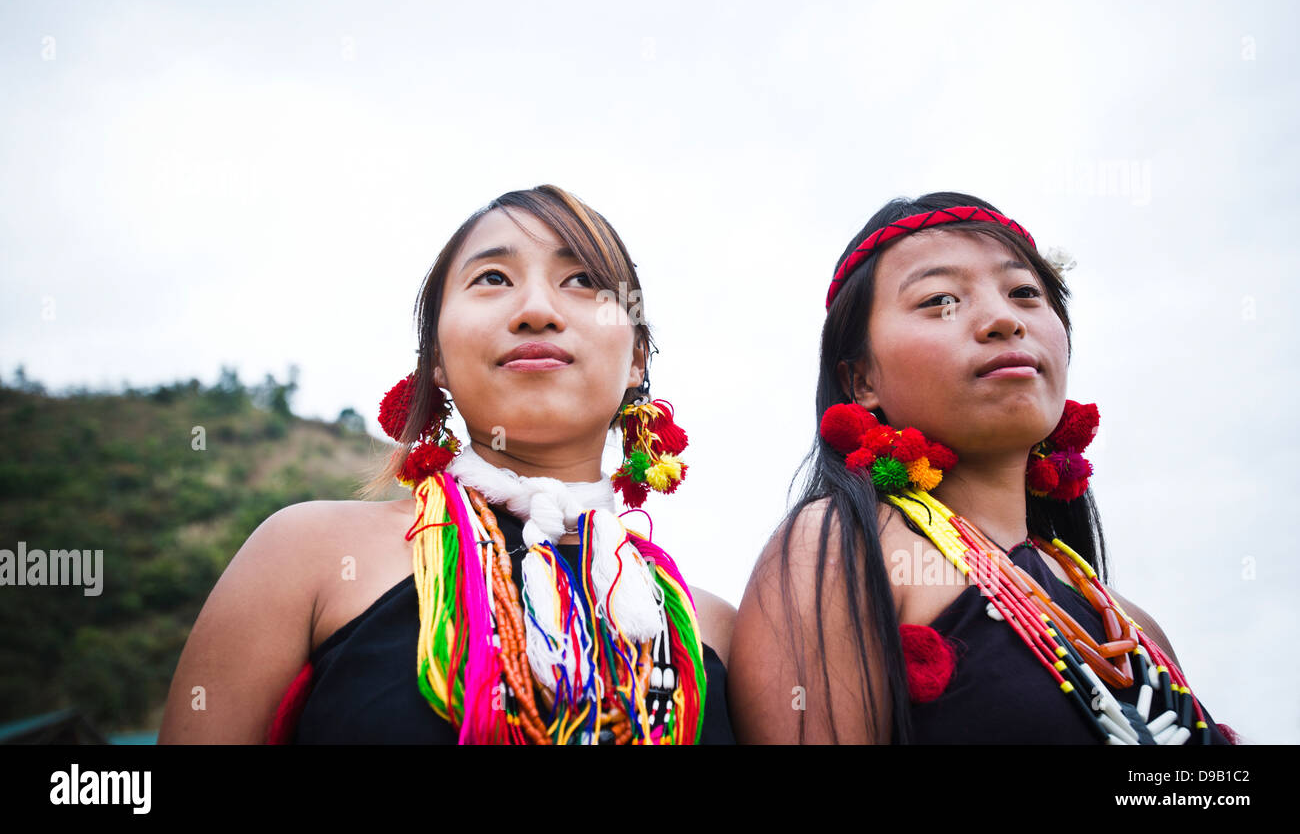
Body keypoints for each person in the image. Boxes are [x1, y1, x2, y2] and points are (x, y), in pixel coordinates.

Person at [158, 184, 735, 744]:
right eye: (493, 278)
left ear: (637, 357)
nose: (536, 310)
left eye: (582, 280)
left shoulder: (715, 632)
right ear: (435, 356)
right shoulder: (306, 556)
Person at [728, 192, 1234, 744]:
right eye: (940, 300)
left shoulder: (1138, 628)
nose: (1003, 320)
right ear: (860, 381)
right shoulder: (840, 550)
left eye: (1025, 293)